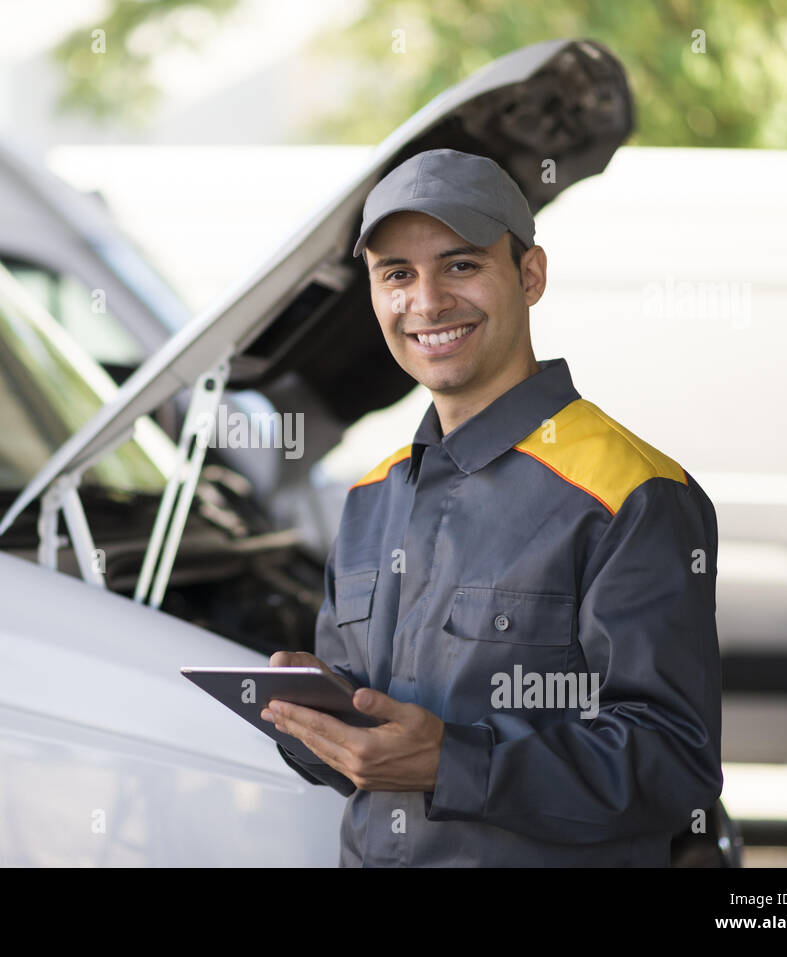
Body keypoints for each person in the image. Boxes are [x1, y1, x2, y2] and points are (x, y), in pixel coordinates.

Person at [263, 148, 723, 867]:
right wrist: (311, 724)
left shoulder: (631, 493)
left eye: (461, 265)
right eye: (397, 274)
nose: (427, 303)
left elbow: (675, 763)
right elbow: (365, 749)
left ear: (530, 275)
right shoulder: (370, 497)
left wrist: (452, 763)